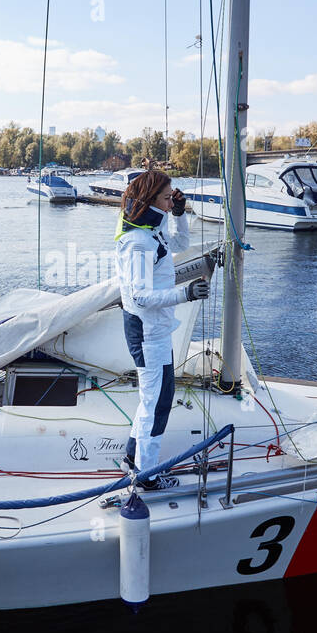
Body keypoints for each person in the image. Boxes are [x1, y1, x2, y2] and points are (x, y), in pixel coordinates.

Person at [114, 169, 208, 491]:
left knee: (159, 397)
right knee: (155, 402)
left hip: (158, 328)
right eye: (167, 198)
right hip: (147, 330)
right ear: (151, 199)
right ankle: (146, 475)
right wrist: (185, 294)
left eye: (172, 198)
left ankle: (133, 456)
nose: (171, 202)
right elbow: (139, 296)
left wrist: (179, 215)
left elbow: (180, 242)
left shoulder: (152, 228)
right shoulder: (138, 243)